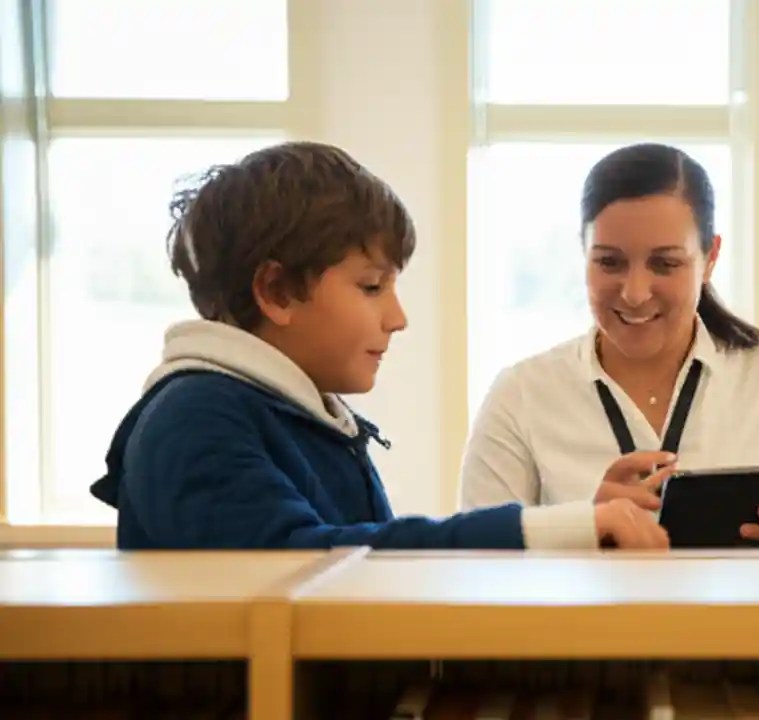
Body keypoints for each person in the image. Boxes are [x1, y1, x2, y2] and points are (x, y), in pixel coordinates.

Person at [89, 141, 670, 551]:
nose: (397, 318)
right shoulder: (196, 418)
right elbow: (312, 567)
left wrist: (580, 528)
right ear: (275, 290)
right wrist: (562, 529)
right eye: (371, 287)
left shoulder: (300, 417)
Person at [459, 143, 759, 550]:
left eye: (665, 264)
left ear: (711, 258)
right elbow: (471, 568)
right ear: (583, 253)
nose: (634, 291)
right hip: (587, 632)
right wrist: (578, 531)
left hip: (744, 632)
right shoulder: (521, 395)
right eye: (609, 262)